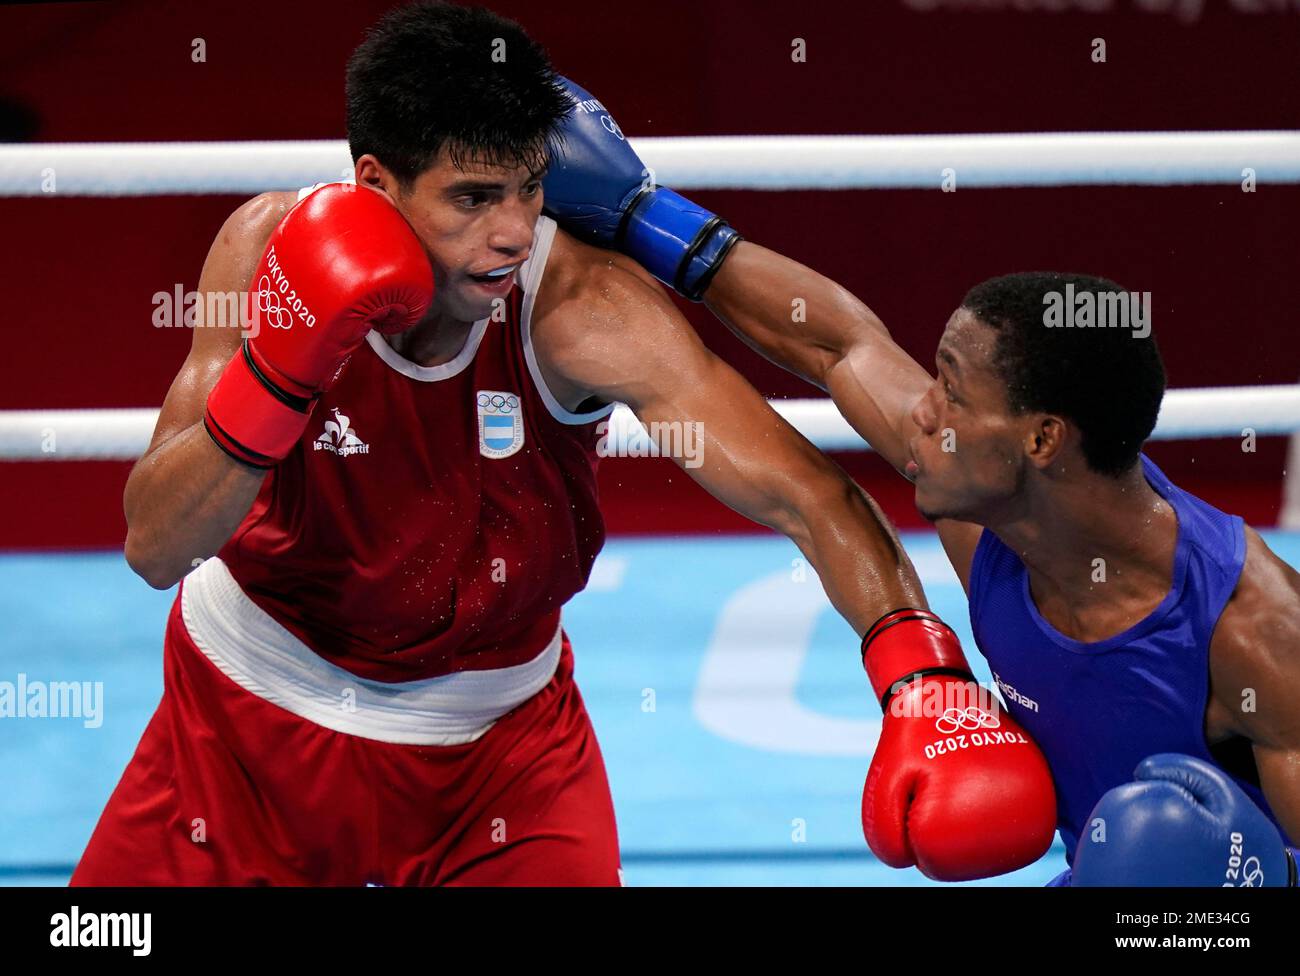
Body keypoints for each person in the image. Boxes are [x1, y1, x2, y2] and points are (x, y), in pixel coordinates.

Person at [71, 2, 1053, 886]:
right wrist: (284, 373)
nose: (510, 233)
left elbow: (807, 494)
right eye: (471, 199)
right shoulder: (262, 253)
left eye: (529, 191)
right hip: (243, 727)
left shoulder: (580, 307)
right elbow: (156, 546)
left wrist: (917, 674)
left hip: (496, 755)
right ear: (374, 182)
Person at [544, 77, 1300, 886]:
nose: (920, 413)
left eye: (951, 394)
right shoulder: (991, 515)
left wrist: (1255, 882)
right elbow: (839, 347)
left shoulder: (1257, 636)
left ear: (1042, 439)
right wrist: (642, 218)